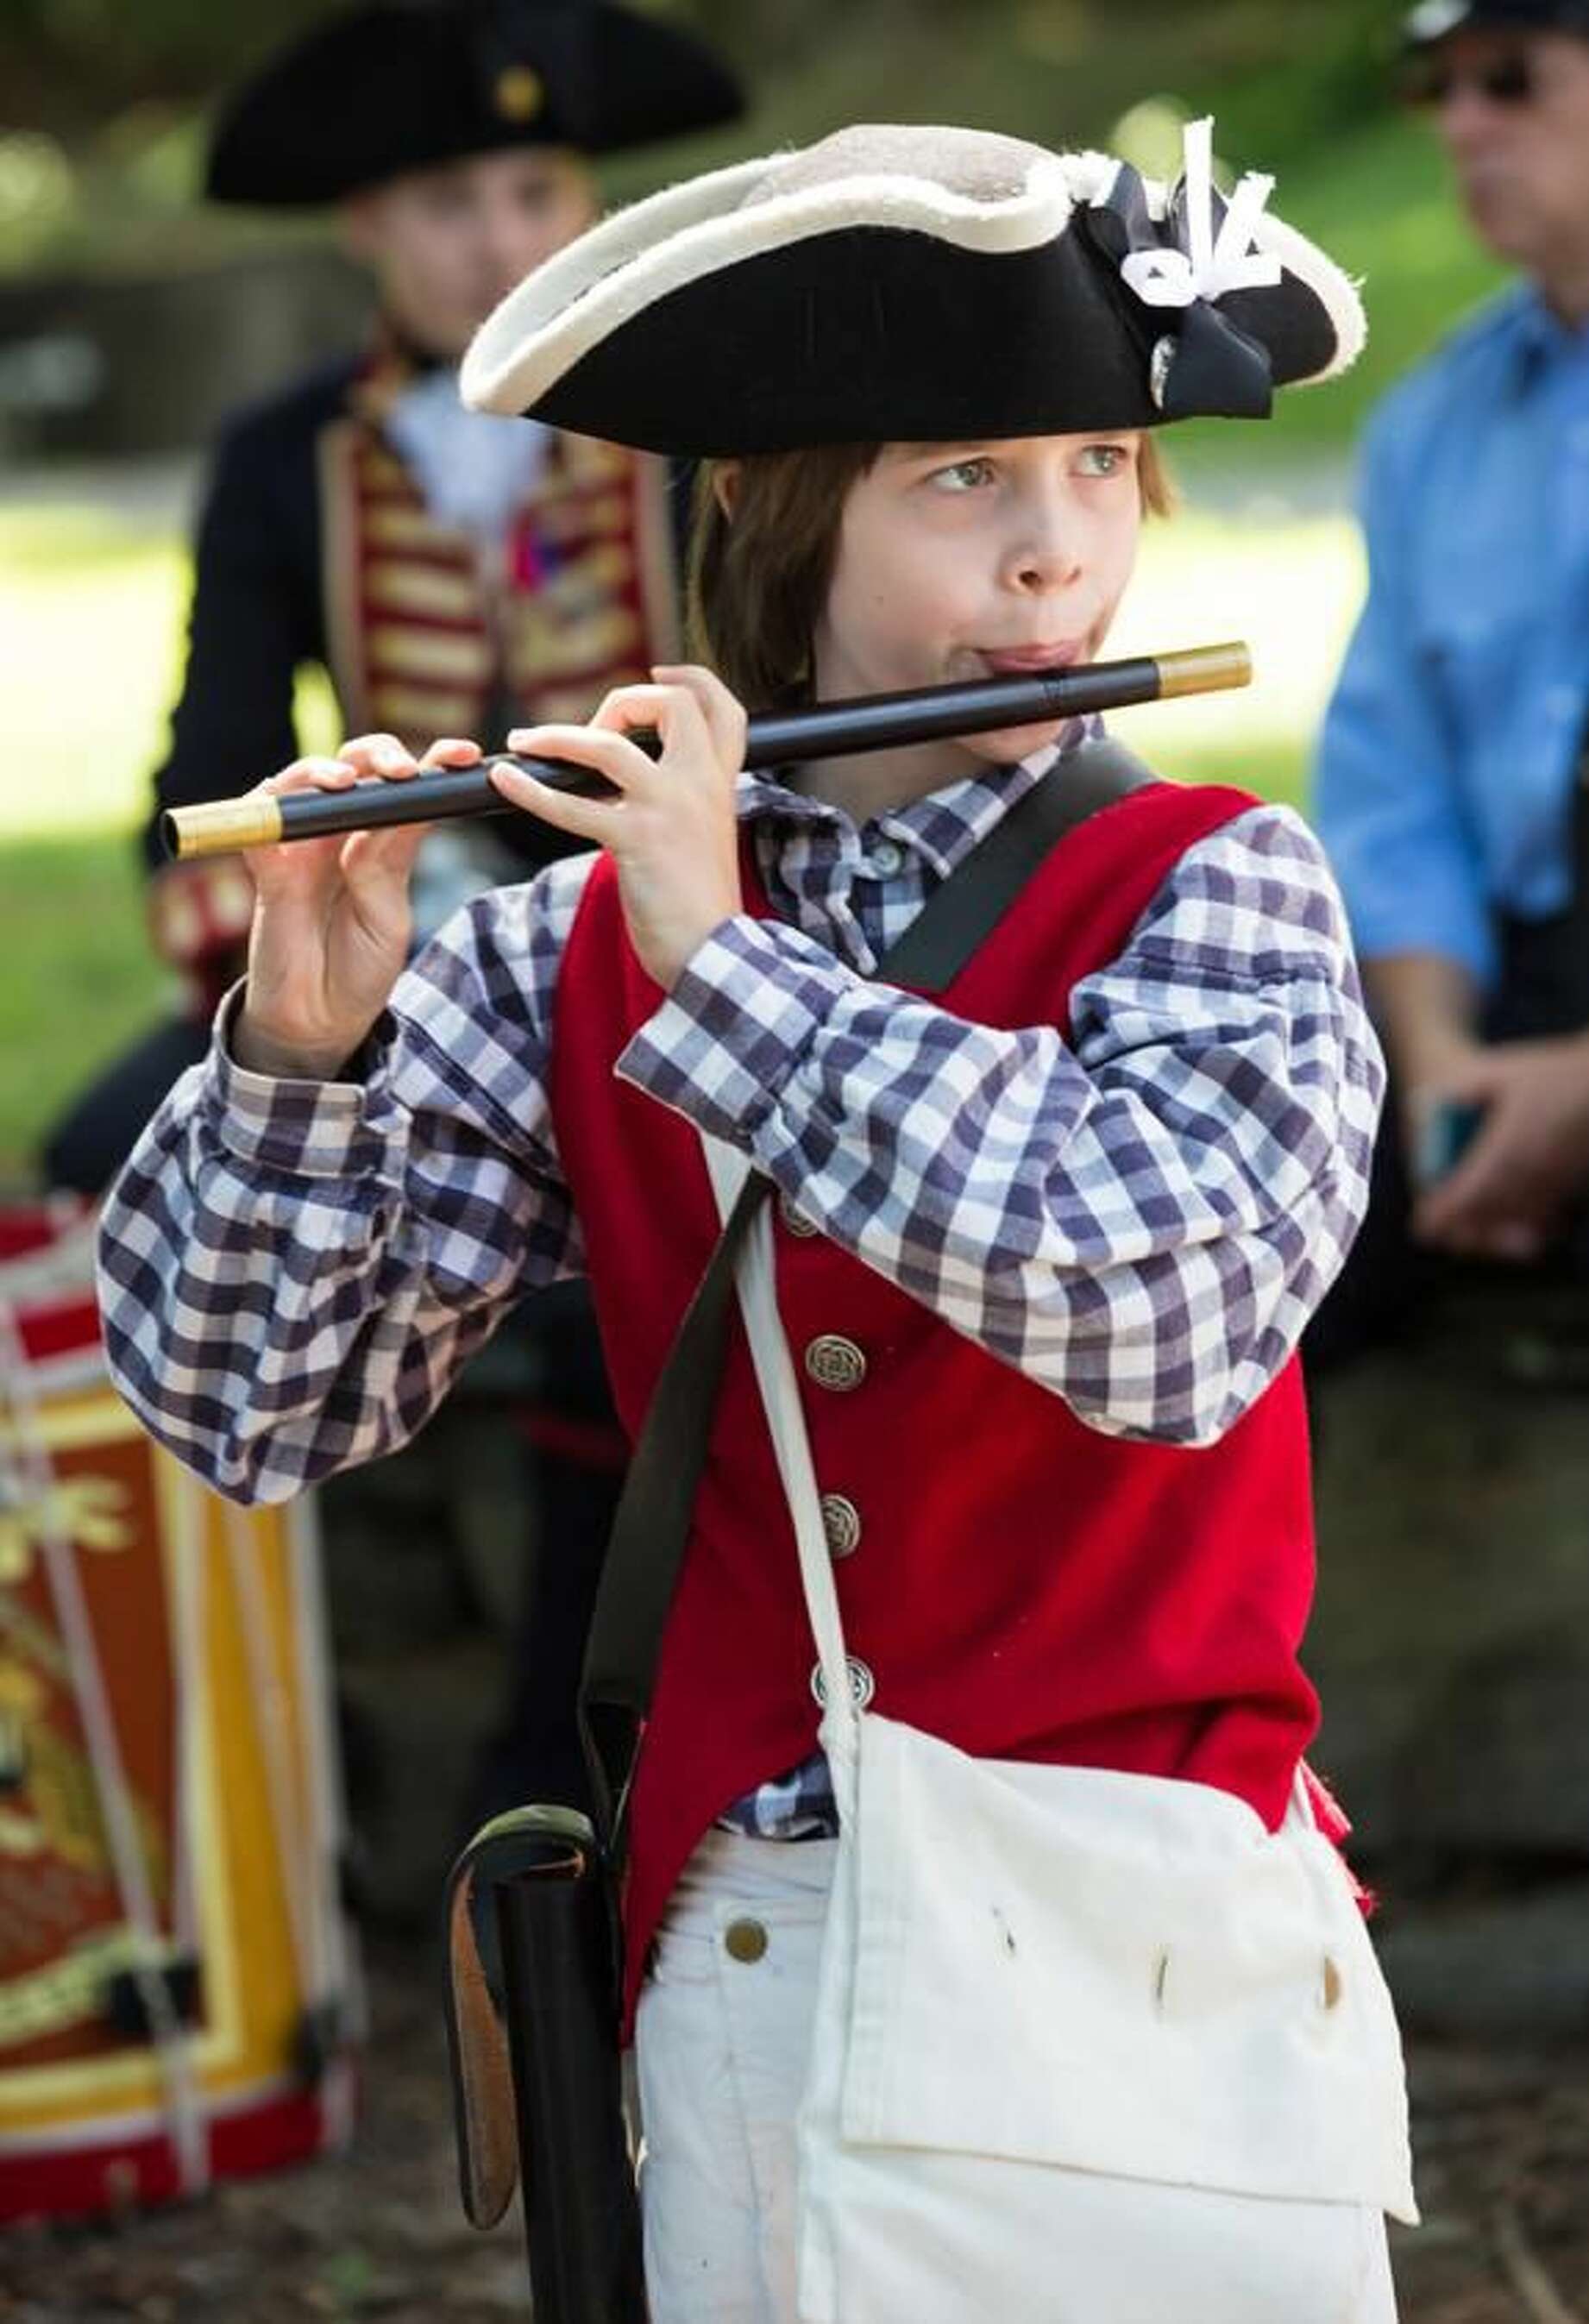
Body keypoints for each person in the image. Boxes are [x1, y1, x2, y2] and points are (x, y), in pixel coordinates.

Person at [98, 119, 1413, 2321]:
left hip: (1150, 1956)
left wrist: (729, 972)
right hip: (755, 1958)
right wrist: (300, 1054)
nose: (1054, 551)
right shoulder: (564, 944)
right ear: (771, 510)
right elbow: (248, 1411)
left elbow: (1175, 1309)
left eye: (1100, 463)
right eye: (965, 478)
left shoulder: (1219, 885)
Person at [45, 0, 742, 1838]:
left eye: (538, 187)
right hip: (390, 952)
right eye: (449, 199)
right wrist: (271, 935)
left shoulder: (686, 427)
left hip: (640, 944)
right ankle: (217, 1757)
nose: (504, 239)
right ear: (367, 225)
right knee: (105, 1155)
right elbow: (200, 765)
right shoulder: (286, 455)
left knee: (642, 1208)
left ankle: (564, 1746)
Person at [1310, 0, 1589, 1452]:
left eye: (1514, 79)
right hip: (1499, 990)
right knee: (1249, 1209)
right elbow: (1390, 785)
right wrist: (1438, 1060)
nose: (1463, 124)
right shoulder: (1434, 423)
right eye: (1438, 88)